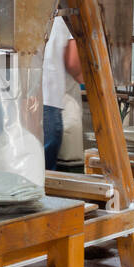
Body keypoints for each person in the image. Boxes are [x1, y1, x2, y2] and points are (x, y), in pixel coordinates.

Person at [42, 15, 83, 170]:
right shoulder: (69, 17)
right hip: (49, 99)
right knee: (45, 172)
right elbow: (73, 63)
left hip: (26, 96)